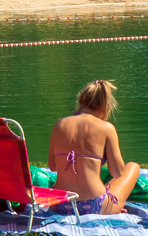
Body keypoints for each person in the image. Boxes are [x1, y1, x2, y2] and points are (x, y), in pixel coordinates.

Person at [48, 80, 141, 216]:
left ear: (81, 101)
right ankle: (109, 205)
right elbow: (117, 172)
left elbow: (52, 166)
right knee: (133, 166)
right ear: (105, 105)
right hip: (95, 205)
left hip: (60, 204)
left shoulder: (59, 124)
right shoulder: (106, 128)